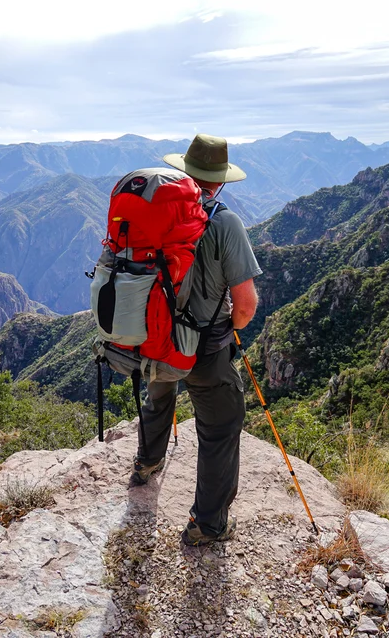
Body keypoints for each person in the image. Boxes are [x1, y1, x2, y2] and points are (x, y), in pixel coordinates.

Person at [130, 133, 262, 546]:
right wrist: (229, 329)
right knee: (220, 427)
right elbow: (245, 306)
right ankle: (207, 523)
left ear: (184, 172)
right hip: (206, 347)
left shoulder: (157, 211)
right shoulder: (225, 223)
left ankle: (148, 462)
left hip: (156, 334)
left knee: (159, 394)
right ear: (220, 181)